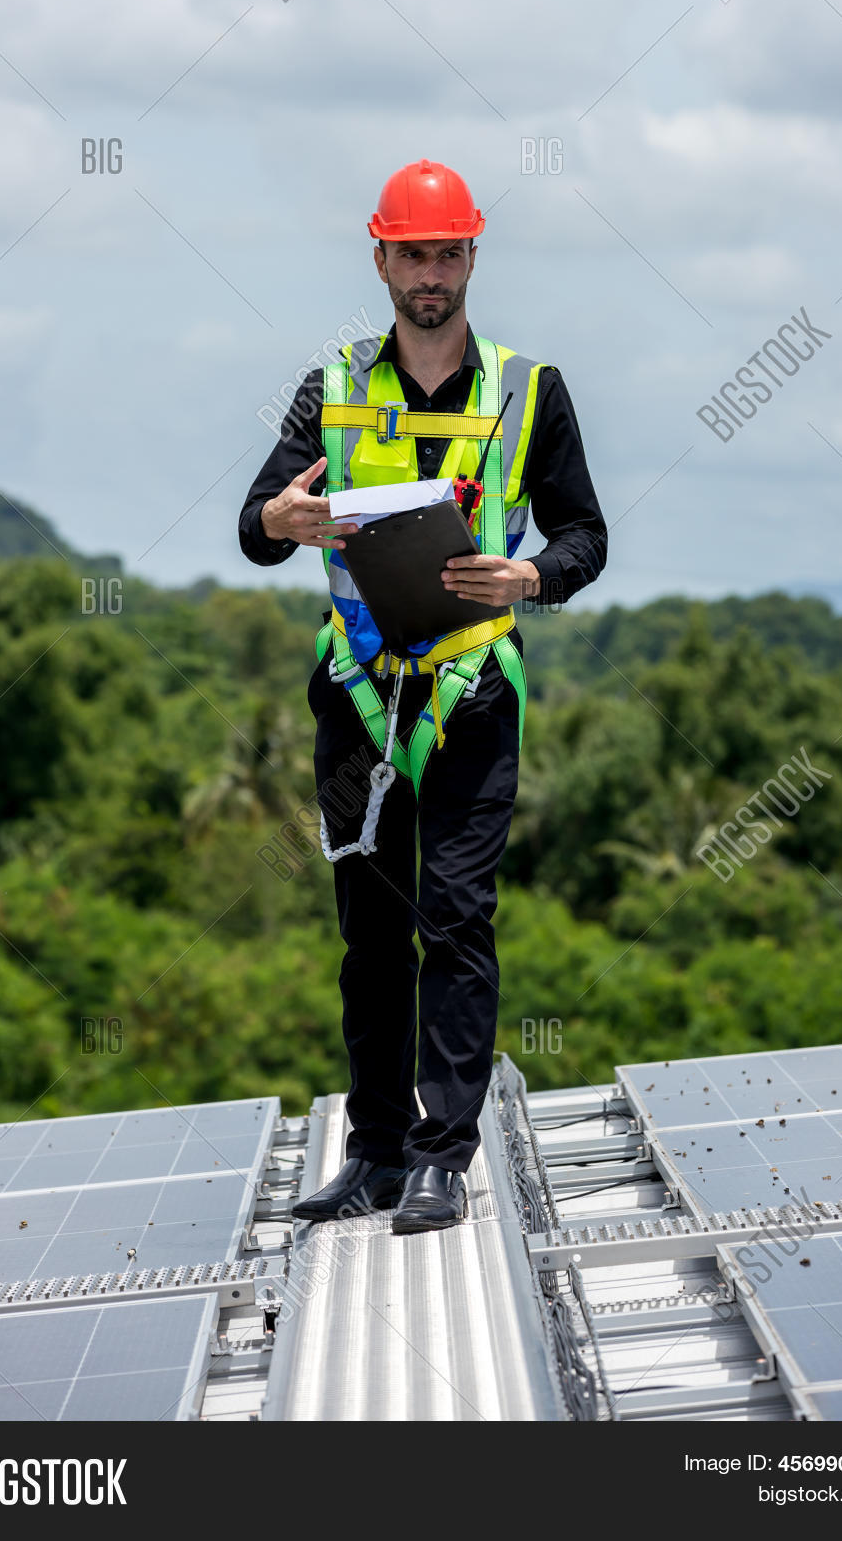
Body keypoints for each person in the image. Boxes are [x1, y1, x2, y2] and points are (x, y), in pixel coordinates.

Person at [239, 160, 607, 1233]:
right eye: (413, 253)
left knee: (456, 919)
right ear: (381, 258)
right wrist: (282, 523)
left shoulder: (529, 390)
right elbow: (254, 525)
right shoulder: (332, 387)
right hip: (357, 699)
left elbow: (584, 535)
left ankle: (446, 1155)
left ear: (471, 258)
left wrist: (528, 576)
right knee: (371, 933)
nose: (431, 274)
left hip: (472, 694)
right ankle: (378, 1156)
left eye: (448, 253)